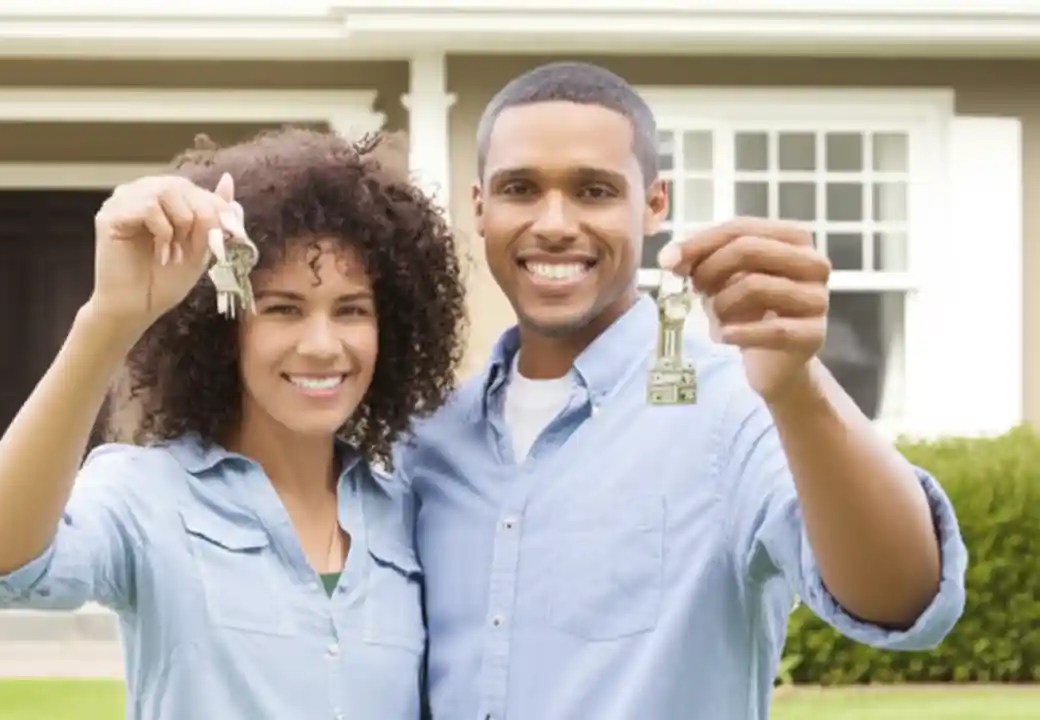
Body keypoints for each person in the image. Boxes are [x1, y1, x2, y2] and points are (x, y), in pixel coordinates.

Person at [395, 62, 969, 719]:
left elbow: (903, 599)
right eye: (520, 189)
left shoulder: (738, 408)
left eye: (593, 190)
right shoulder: (428, 440)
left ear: (654, 205)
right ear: (480, 208)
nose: (554, 222)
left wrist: (799, 387)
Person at [0, 128, 466, 719]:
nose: (324, 345)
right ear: (226, 327)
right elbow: (2, 567)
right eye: (283, 309)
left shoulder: (408, 512)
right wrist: (109, 320)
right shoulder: (149, 494)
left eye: (351, 310)